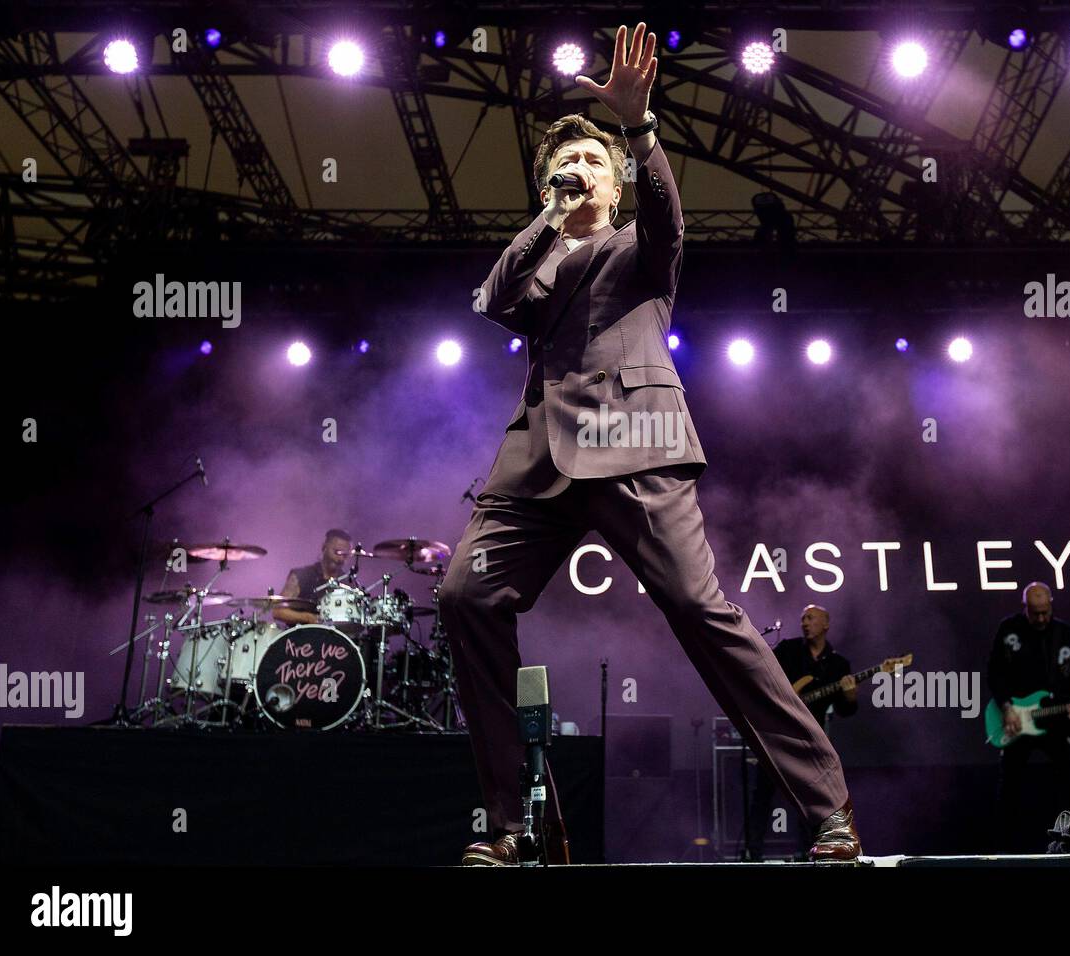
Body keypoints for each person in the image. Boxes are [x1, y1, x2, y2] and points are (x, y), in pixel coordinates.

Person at [443, 22, 861, 866]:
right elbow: (491, 299)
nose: (579, 174)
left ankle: (827, 810)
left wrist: (636, 128)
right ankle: (506, 823)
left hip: (635, 442)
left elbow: (668, 215)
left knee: (703, 615)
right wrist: (548, 215)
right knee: (463, 597)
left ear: (618, 177)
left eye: (592, 164)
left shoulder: (642, 246)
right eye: (565, 169)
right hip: (539, 462)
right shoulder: (539, 261)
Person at [745, 605, 858, 860]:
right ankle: (753, 853)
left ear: (826, 624)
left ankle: (810, 852)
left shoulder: (838, 664)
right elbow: (763, 677)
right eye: (803, 619)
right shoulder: (788, 650)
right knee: (762, 794)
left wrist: (849, 697)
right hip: (777, 734)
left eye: (811, 618)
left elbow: (845, 710)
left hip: (810, 741)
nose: (805, 623)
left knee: (813, 799)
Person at [987, 581, 1070, 852]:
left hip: (1054, 721)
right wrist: (1006, 707)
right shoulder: (1009, 630)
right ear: (1025, 609)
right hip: (1017, 721)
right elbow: (994, 673)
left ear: (1051, 604)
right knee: (1010, 786)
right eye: (1035, 613)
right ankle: (1003, 850)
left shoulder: (1066, 635)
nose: (1041, 618)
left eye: (1045, 612)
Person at [273, 529, 354, 627]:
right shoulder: (302, 576)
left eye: (345, 555)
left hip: (334, 640)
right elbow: (278, 611)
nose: (340, 559)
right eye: (337, 552)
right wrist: (307, 617)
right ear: (324, 547)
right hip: (300, 639)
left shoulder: (348, 584)